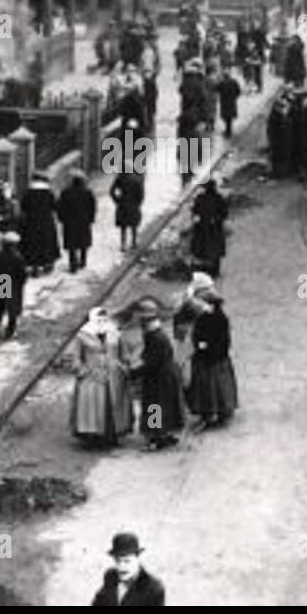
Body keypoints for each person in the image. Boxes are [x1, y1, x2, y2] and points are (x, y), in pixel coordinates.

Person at [70, 307, 131, 447]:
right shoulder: (83, 335)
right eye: (99, 319)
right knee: (93, 408)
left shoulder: (115, 332)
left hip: (114, 376)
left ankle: (111, 437)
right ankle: (92, 439)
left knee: (113, 406)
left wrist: (124, 367)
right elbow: (76, 358)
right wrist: (83, 372)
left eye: (105, 319)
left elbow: (124, 352)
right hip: (92, 377)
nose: (102, 322)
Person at [133, 300, 184, 451]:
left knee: (154, 406)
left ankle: (155, 438)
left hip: (158, 379)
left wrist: (134, 372)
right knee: (166, 406)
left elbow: (151, 363)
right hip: (167, 376)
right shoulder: (157, 334)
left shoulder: (153, 337)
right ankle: (165, 433)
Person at [187, 287, 238, 428]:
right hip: (204, 358)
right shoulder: (202, 318)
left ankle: (222, 412)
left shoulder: (221, 319)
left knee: (218, 388)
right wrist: (200, 345)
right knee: (205, 388)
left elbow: (223, 342)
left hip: (215, 359)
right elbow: (196, 335)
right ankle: (206, 413)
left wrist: (208, 347)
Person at [91, 532, 165, 606]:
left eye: (127, 561)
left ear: (138, 559)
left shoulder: (153, 588)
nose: (121, 566)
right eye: (117, 561)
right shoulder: (111, 578)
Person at [0, 230, 27, 340]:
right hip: (12, 286)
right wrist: (20, 284)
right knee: (12, 310)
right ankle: (10, 330)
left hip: (2, 283)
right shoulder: (17, 257)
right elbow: (22, 274)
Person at [19, 172, 60, 276]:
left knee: (32, 243)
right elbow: (54, 206)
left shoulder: (28, 193)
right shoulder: (48, 193)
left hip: (31, 222)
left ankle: (34, 265)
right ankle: (48, 263)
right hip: (46, 221)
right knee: (47, 242)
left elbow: (23, 206)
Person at [56, 169, 96, 273]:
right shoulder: (87, 192)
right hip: (84, 221)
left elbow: (60, 207)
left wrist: (62, 218)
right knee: (83, 241)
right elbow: (92, 207)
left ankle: (73, 263)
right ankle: (83, 261)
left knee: (71, 243)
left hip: (70, 222)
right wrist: (91, 218)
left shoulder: (65, 193)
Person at [190, 178, 229, 277]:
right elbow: (224, 213)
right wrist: (216, 219)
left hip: (203, 227)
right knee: (214, 250)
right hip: (214, 228)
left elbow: (194, 211)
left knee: (203, 249)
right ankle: (214, 270)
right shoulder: (219, 198)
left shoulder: (200, 198)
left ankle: (206, 269)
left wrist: (197, 220)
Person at [110, 165, 145, 251]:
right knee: (134, 225)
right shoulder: (137, 179)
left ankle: (123, 244)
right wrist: (138, 202)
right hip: (134, 205)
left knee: (123, 226)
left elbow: (111, 191)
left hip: (123, 204)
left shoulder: (120, 179)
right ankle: (133, 243)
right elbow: (141, 193)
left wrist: (117, 200)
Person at [217, 70, 242, 137]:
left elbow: (216, 89)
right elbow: (239, 91)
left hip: (224, 102)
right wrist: (235, 97)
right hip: (231, 102)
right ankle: (228, 130)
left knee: (226, 117)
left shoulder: (222, 82)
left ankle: (228, 131)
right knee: (229, 117)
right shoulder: (234, 81)